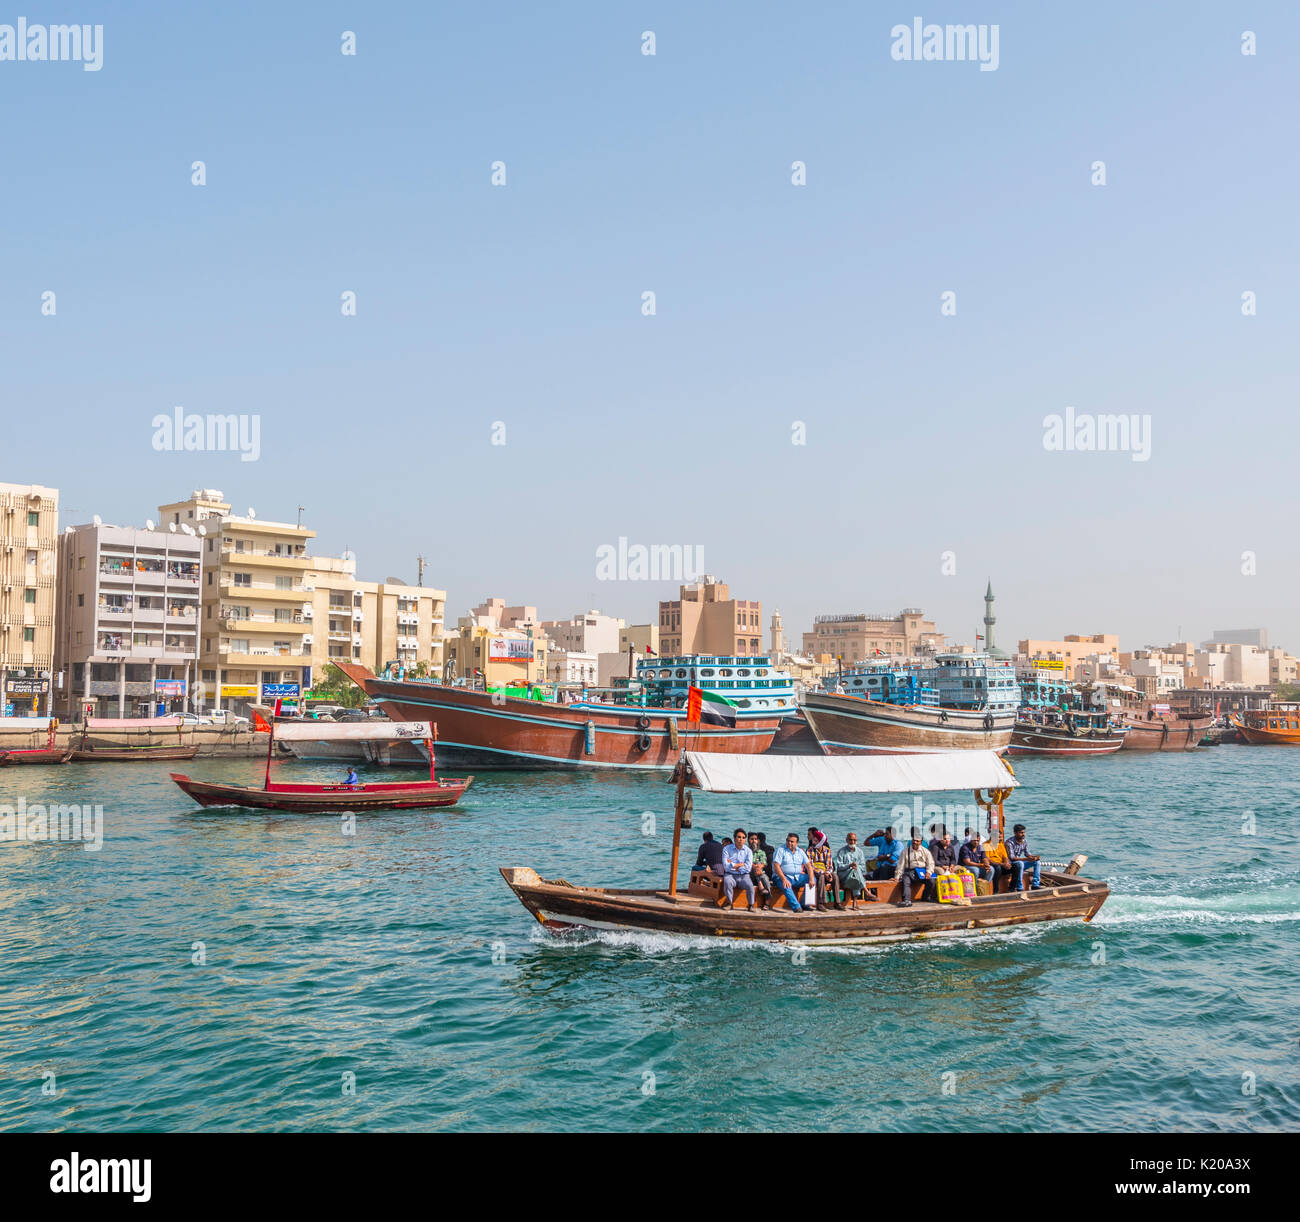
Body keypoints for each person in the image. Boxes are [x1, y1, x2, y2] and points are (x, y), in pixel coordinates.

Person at [894, 827, 937, 908]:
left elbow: (930, 863)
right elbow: (900, 865)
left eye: (917, 841)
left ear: (920, 842)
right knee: (905, 880)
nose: (915, 842)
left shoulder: (926, 851)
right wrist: (897, 876)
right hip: (910, 871)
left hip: (923, 871)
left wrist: (929, 872)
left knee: (931, 881)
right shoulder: (905, 851)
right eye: (914, 840)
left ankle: (925, 897)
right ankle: (906, 900)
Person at [771, 833, 812, 913]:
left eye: (792, 842)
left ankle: (805, 904)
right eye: (788, 841)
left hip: (797, 877)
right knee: (786, 884)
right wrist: (784, 879)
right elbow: (776, 865)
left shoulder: (800, 851)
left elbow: (808, 865)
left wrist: (811, 879)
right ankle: (797, 908)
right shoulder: (781, 850)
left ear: (796, 843)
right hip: (781, 876)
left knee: (813, 879)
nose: (789, 843)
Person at [720, 828, 755, 909]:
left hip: (744, 875)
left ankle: (751, 905)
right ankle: (729, 903)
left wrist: (734, 866)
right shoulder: (726, 849)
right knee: (727, 882)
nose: (741, 839)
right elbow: (725, 866)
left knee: (750, 886)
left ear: (745, 840)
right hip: (730, 874)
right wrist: (739, 865)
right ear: (734, 838)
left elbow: (748, 868)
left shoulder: (748, 851)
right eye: (739, 837)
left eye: (743, 838)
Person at [834, 832, 869, 909]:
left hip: (855, 875)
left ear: (856, 841)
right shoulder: (841, 851)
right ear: (846, 840)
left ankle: (855, 903)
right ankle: (865, 893)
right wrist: (849, 866)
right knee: (855, 871)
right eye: (850, 840)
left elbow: (863, 867)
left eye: (854, 840)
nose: (852, 842)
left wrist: (856, 867)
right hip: (844, 874)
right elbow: (839, 867)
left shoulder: (860, 852)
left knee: (856, 872)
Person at [807, 828, 840, 908]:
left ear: (821, 842)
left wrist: (828, 873)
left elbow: (830, 864)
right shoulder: (810, 850)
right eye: (813, 840)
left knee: (835, 876)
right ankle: (821, 903)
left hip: (826, 871)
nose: (813, 842)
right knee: (821, 877)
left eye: (816, 841)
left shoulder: (827, 850)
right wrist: (822, 872)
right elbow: (810, 865)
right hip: (816, 871)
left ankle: (837, 902)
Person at [1007, 823, 1042, 891]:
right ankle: (1019, 887)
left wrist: (1033, 857)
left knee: (1037, 862)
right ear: (1015, 833)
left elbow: (1027, 854)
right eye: (1021, 833)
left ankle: (1035, 884)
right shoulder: (1009, 842)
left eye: (1024, 832)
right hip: (1012, 865)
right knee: (1020, 863)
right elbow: (1012, 858)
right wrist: (1026, 859)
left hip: (1020, 863)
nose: (1023, 834)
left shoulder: (1024, 841)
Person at [748, 833, 772, 903]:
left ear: (758, 841)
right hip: (749, 872)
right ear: (748, 840)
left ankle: (767, 902)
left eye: (755, 839)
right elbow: (746, 862)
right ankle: (760, 885)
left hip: (760, 872)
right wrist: (754, 866)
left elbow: (764, 863)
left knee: (765, 878)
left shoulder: (761, 852)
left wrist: (758, 866)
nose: (754, 841)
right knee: (761, 874)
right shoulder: (746, 851)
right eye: (752, 839)